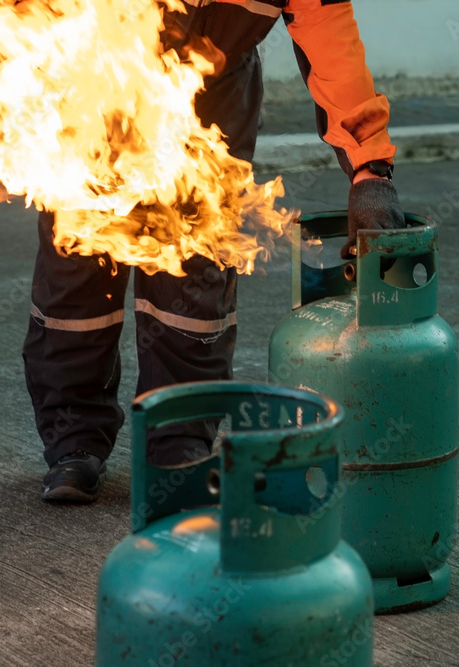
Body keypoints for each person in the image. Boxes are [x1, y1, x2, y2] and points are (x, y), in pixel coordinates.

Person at [24, 0, 405, 503]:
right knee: (78, 266)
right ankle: (73, 444)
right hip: (91, 80)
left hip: (214, 93)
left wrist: (368, 167)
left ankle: (179, 445)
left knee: (194, 278)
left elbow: (328, 30)